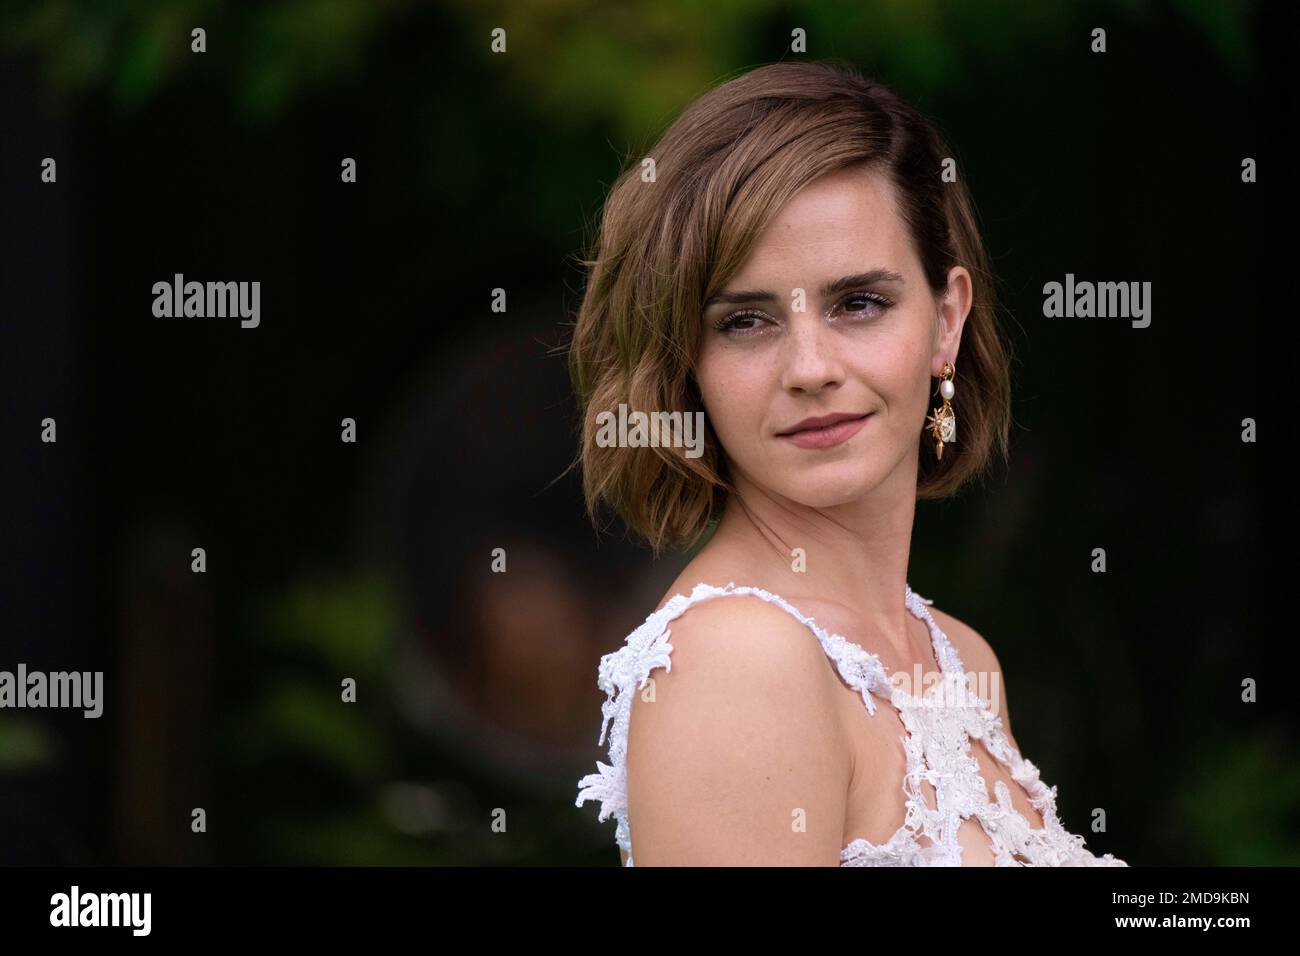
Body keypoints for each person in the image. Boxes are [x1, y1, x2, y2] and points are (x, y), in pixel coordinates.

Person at [568, 61, 1126, 866]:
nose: (810, 367)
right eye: (747, 322)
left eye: (858, 304)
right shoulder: (736, 664)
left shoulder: (960, 658)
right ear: (685, 362)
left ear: (946, 319)